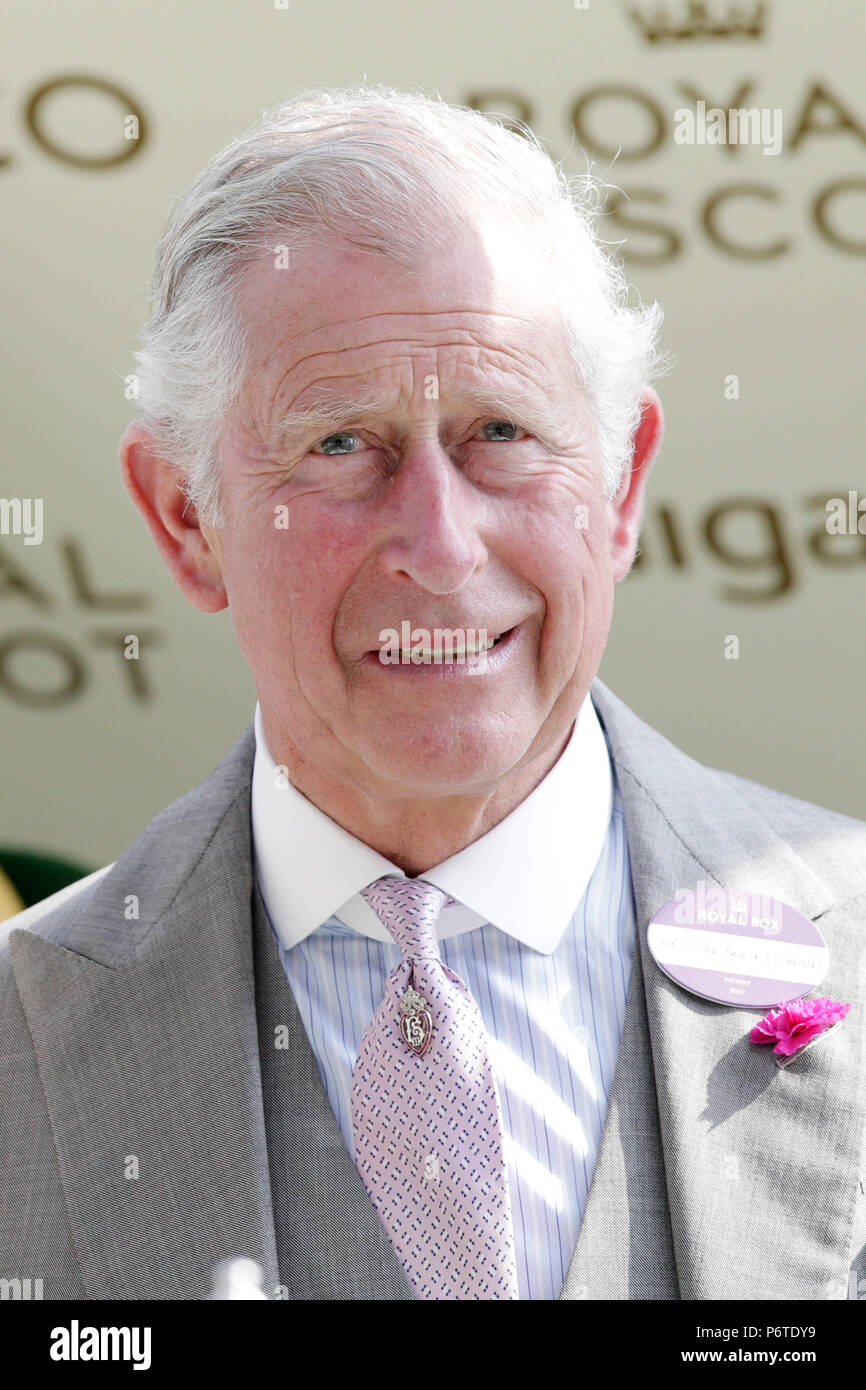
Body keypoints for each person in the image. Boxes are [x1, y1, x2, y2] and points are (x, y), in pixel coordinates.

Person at [2, 84, 864, 1302]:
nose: (441, 547)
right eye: (337, 444)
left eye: (499, 430)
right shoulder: (21, 1031)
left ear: (619, 487)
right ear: (187, 518)